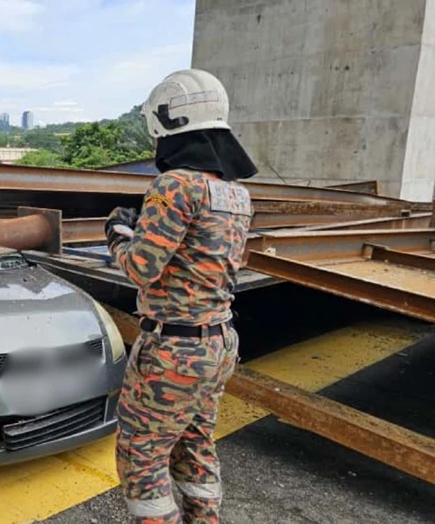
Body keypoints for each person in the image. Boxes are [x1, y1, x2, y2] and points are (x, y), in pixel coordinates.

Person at [105, 69, 258, 523]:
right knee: (196, 443)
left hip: (174, 350)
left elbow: (141, 267)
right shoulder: (236, 194)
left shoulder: (175, 186)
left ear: (169, 123)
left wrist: (117, 234)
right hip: (218, 344)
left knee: (142, 453)